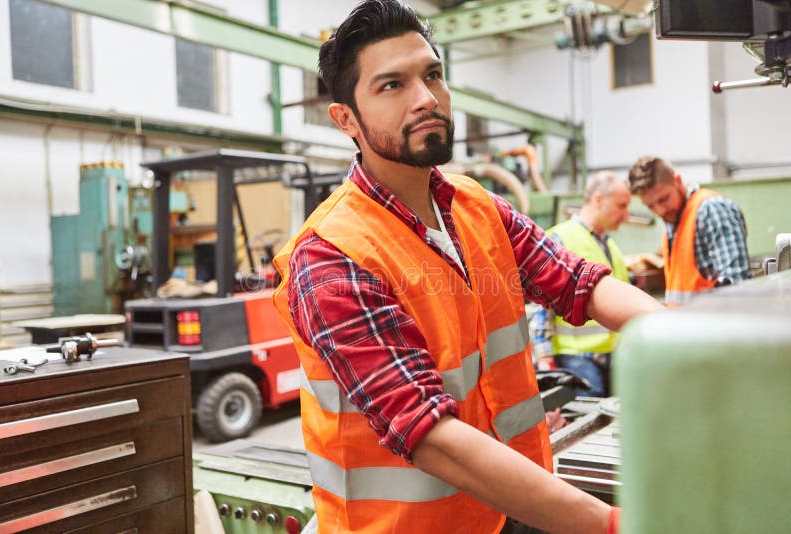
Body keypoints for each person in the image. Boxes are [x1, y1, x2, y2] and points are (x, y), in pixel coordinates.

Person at [273, 2, 662, 532]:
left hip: (509, 510)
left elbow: (578, 284)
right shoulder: (330, 256)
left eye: (433, 74)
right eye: (392, 85)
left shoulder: (476, 206)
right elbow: (428, 433)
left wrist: (685, 341)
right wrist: (612, 523)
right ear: (346, 119)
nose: (427, 99)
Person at [531, 171, 632, 397]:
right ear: (599, 200)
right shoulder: (560, 239)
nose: (625, 215)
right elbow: (541, 307)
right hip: (576, 361)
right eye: (621, 205)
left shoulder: (611, 247)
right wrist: (545, 359)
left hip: (611, 359)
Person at [627, 156, 750, 306]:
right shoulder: (673, 221)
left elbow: (736, 284)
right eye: (650, 206)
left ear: (677, 180)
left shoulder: (712, 210)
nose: (660, 210)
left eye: (664, 199)